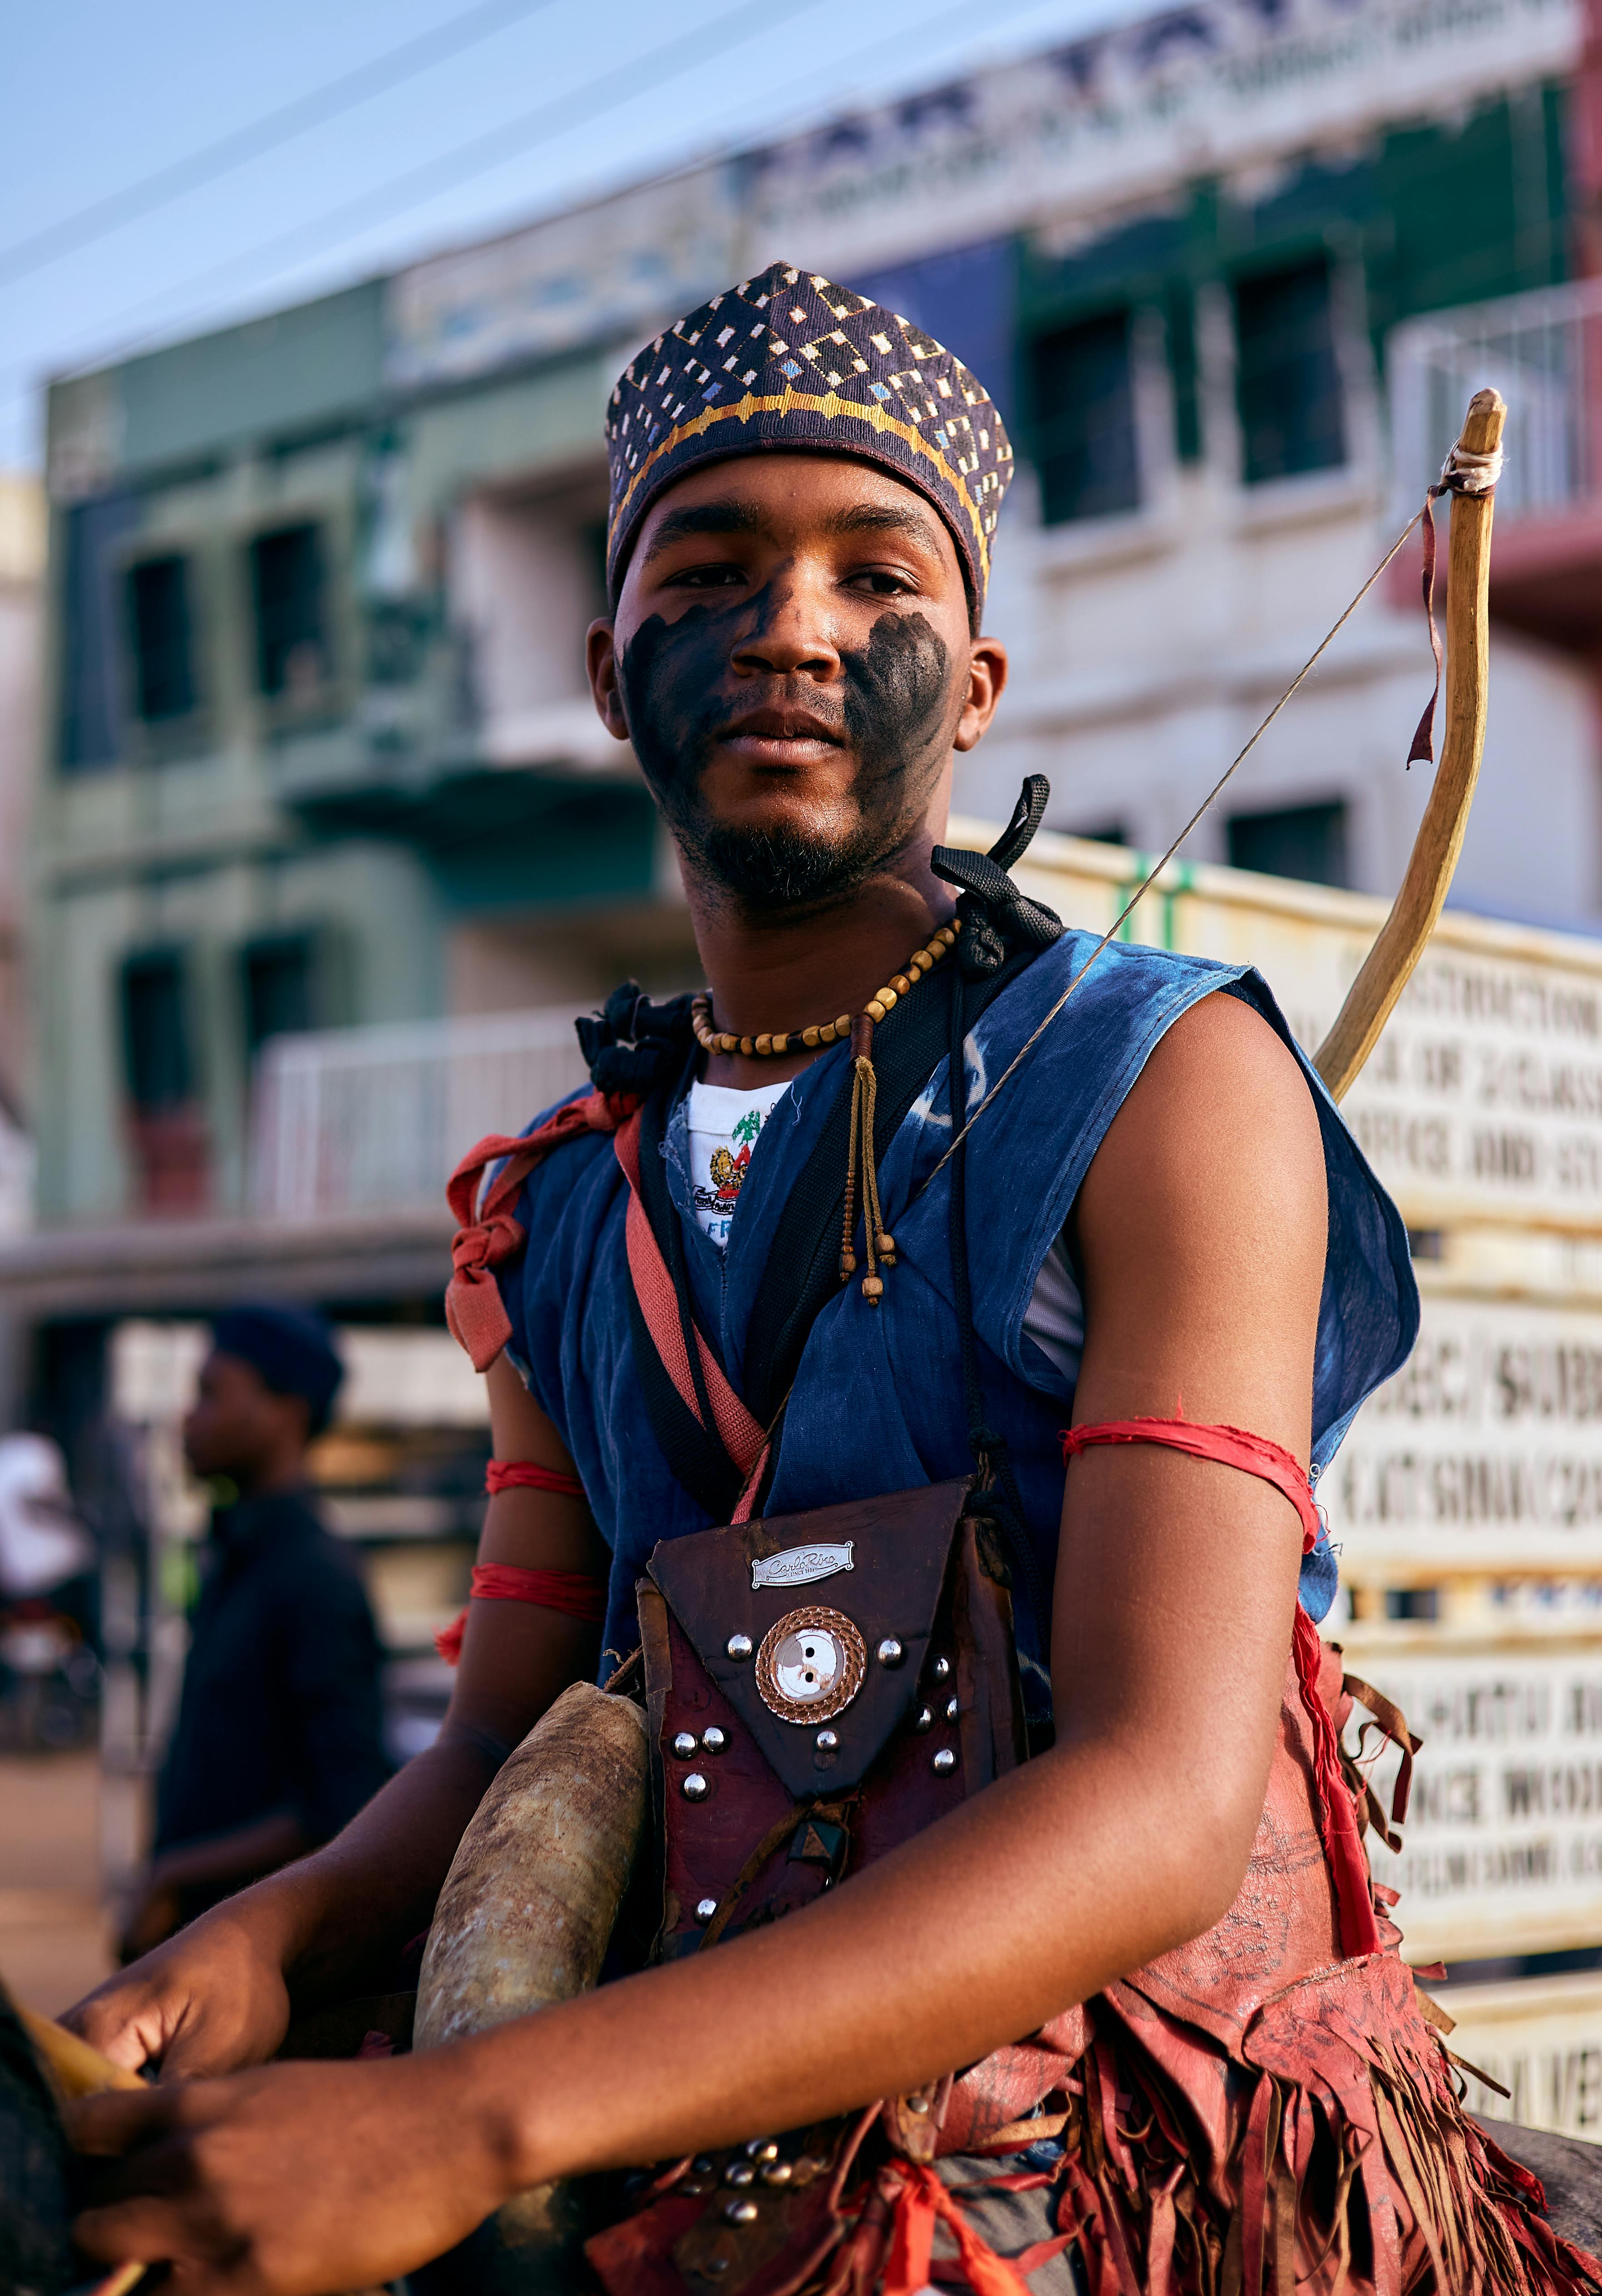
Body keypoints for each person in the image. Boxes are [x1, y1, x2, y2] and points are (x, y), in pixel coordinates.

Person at [59, 268, 1600, 2294]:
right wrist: (267, 1937)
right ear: (613, 671)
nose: (793, 620)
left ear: (974, 683)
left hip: (1137, 2179)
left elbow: (1156, 1804)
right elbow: (504, 1736)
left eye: (877, 572)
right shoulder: (554, 1210)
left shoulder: (1166, 1080)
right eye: (711, 566)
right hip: (693, 2142)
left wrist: (467, 2116)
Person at [116, 1303, 390, 1962]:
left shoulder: (313, 1577)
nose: (190, 1417)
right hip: (198, 1945)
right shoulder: (239, 1553)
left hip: (254, 1964)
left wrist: (172, 1874)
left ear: (285, 1412)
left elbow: (339, 1807)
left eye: (211, 1394)